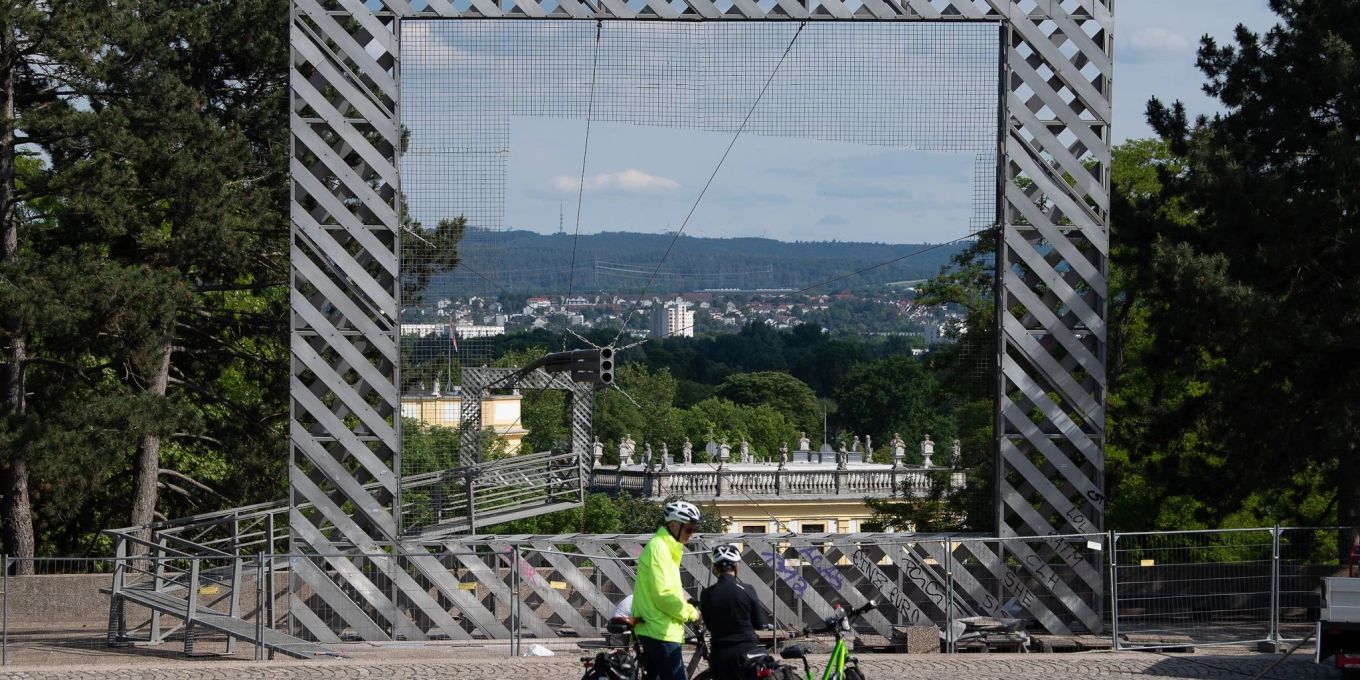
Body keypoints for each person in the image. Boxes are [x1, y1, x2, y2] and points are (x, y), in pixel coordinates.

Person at [634, 500, 703, 680]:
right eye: (688, 529)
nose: (691, 534)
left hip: (660, 628)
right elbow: (663, 595)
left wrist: (687, 604)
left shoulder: (668, 549)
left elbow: (669, 589)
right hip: (659, 630)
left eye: (693, 530)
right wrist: (692, 613)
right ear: (673, 525)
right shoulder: (660, 548)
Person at [699, 544, 767, 680]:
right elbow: (759, 624)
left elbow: (710, 625)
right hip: (748, 654)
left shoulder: (707, 594)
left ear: (715, 567)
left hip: (720, 654)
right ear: (736, 565)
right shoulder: (748, 590)